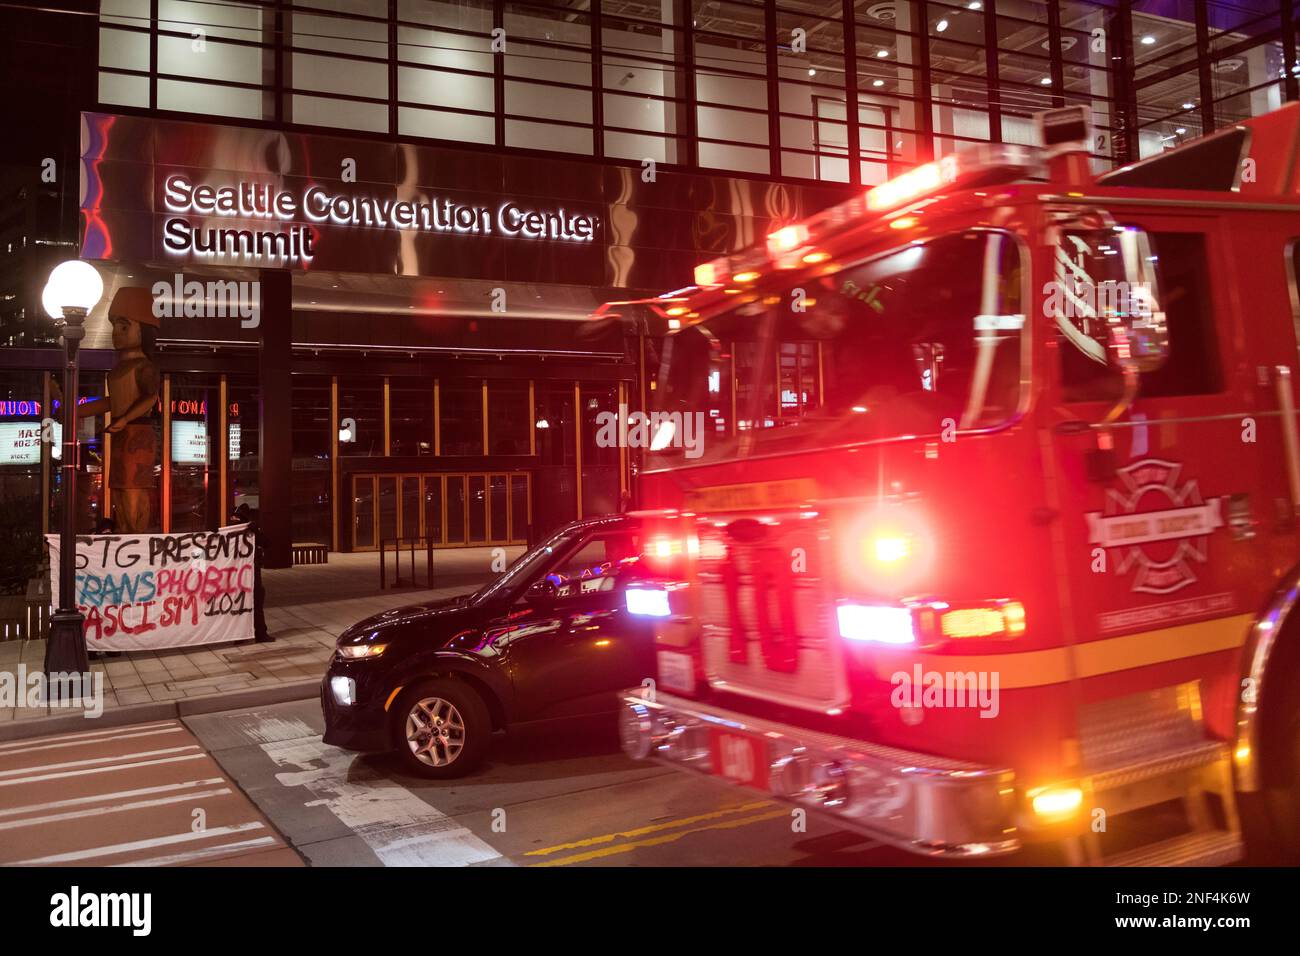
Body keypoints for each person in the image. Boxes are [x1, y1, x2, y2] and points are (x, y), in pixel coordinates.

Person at [233, 504, 272, 643]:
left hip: (248, 571)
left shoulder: (252, 530)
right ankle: (253, 633)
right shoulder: (234, 532)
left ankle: (255, 633)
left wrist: (256, 532)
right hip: (242, 572)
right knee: (249, 602)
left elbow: (267, 543)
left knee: (254, 601)